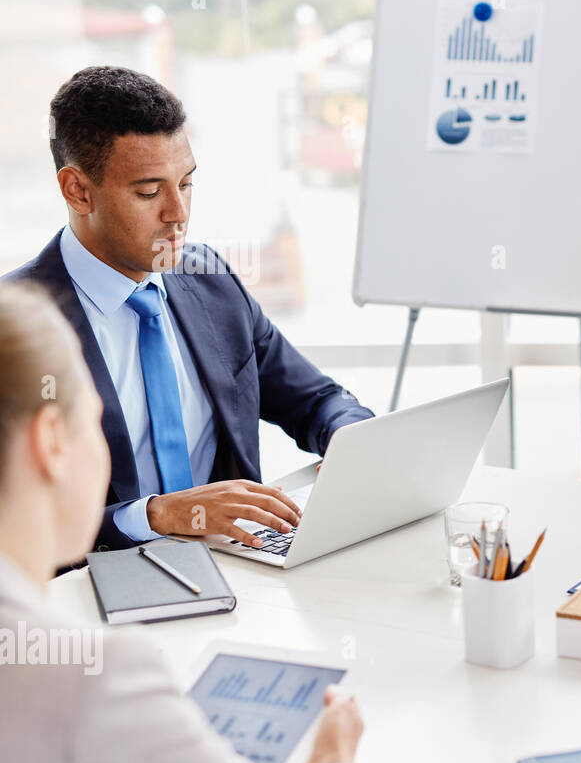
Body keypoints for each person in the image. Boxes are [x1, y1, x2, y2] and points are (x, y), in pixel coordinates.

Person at [0, 281, 398, 763]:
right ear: (51, 442)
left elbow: (316, 397)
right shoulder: (98, 682)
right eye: (93, 420)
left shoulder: (211, 288)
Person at [3, 66, 373, 556]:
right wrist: (155, 515)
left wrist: (351, 437)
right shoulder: (14, 327)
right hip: (90, 585)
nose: (178, 213)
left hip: (240, 568)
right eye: (149, 192)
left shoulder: (209, 280)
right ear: (78, 191)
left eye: (187, 183)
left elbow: (315, 400)